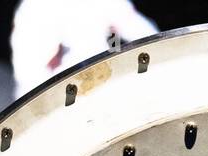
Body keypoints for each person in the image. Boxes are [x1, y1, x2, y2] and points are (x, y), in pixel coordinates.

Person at [10, 0, 156, 97]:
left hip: (109, 87)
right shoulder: (33, 9)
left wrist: (116, 47)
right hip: (63, 100)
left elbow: (147, 37)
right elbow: (27, 78)